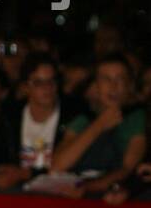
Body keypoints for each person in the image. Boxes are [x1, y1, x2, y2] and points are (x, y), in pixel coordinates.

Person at [51, 54, 146, 196]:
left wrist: (88, 187)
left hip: (114, 194)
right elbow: (58, 165)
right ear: (96, 86)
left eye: (120, 79)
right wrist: (99, 124)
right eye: (106, 79)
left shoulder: (138, 117)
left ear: (129, 85)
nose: (113, 86)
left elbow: (128, 168)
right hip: (77, 192)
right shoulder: (83, 117)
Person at [0, 52, 65, 190]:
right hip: (18, 196)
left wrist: (24, 173)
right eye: (38, 82)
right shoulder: (10, 117)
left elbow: (70, 169)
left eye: (51, 81)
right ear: (25, 86)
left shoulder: (70, 116)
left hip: (59, 195)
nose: (47, 88)